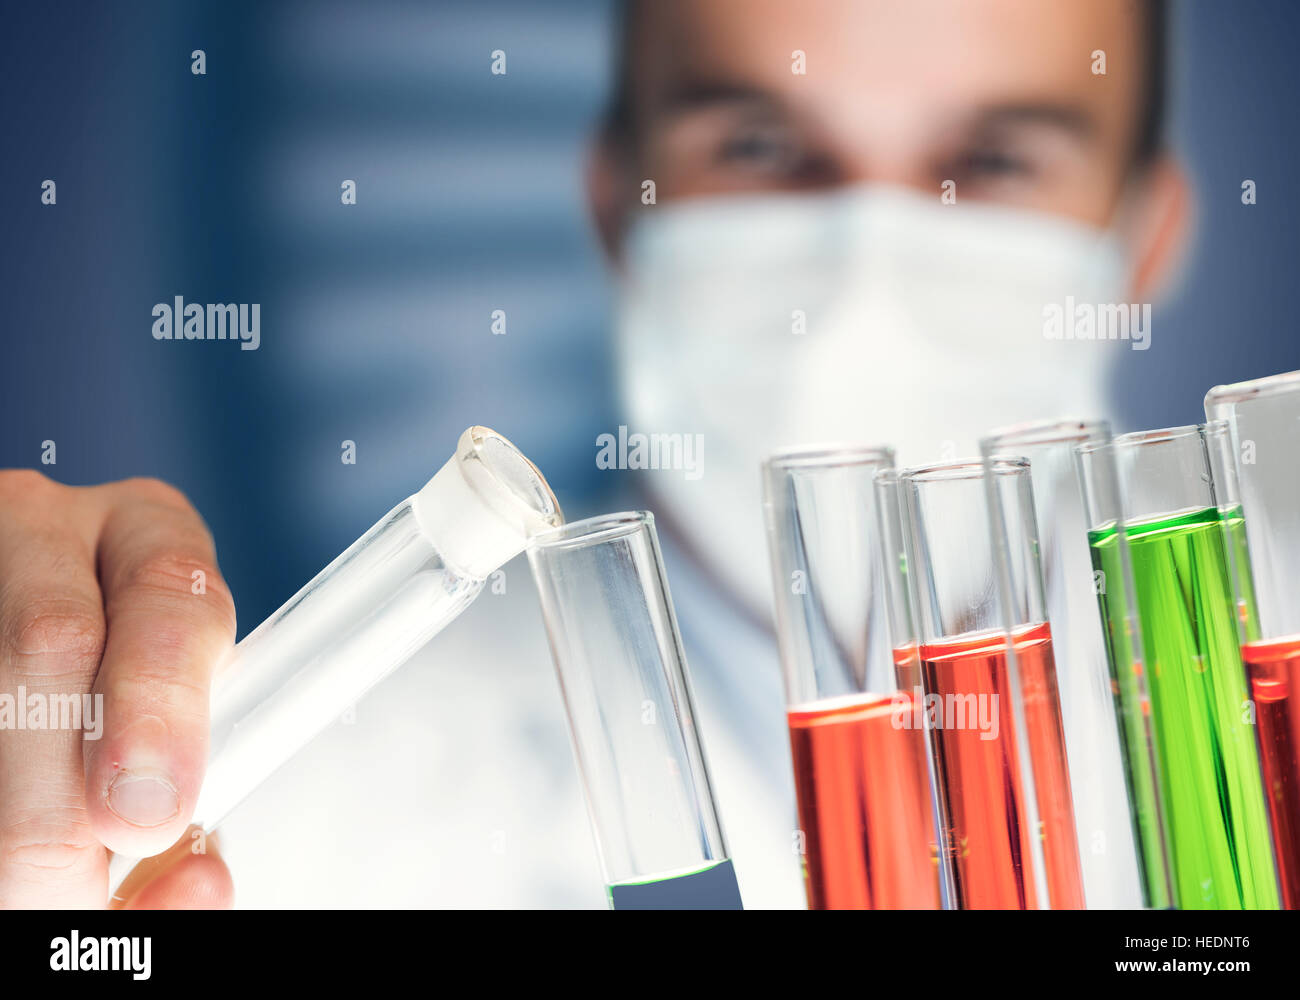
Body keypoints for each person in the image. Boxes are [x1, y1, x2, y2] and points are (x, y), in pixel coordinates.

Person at [0, 0, 1189, 908]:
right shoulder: (278, 818)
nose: (863, 273)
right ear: (616, 205)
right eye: (766, 147)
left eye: (992, 164)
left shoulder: (1235, 690)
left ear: (1146, 245)